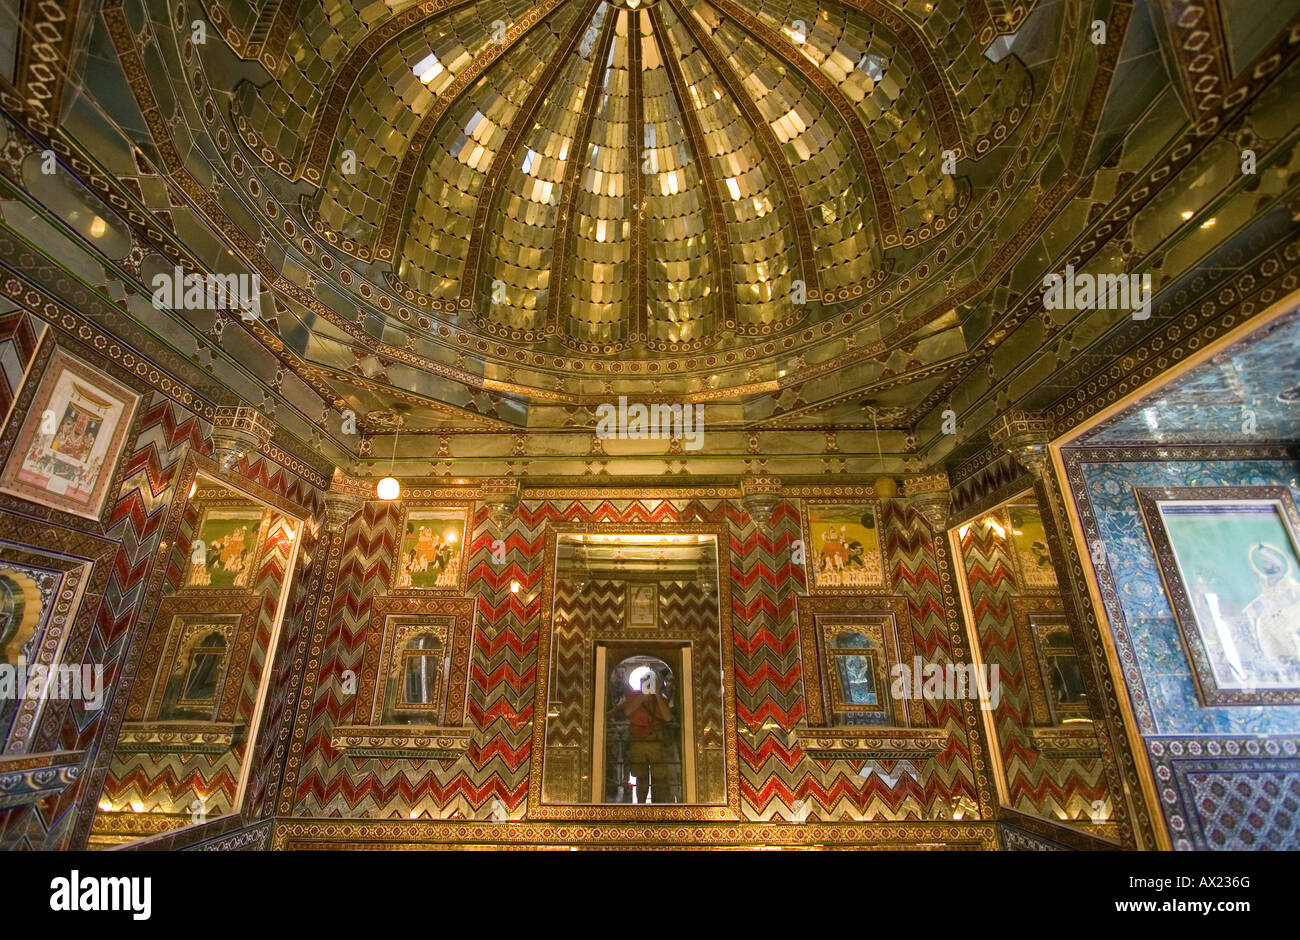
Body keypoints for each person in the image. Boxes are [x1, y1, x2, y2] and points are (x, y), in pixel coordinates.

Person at [619, 672, 673, 803]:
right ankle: (641, 804)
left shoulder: (660, 698)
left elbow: (667, 717)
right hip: (638, 741)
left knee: (658, 776)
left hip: (655, 741)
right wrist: (643, 695)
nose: (648, 685)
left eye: (651, 682)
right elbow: (627, 711)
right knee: (640, 775)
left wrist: (657, 695)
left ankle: (657, 805)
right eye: (646, 682)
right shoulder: (633, 696)